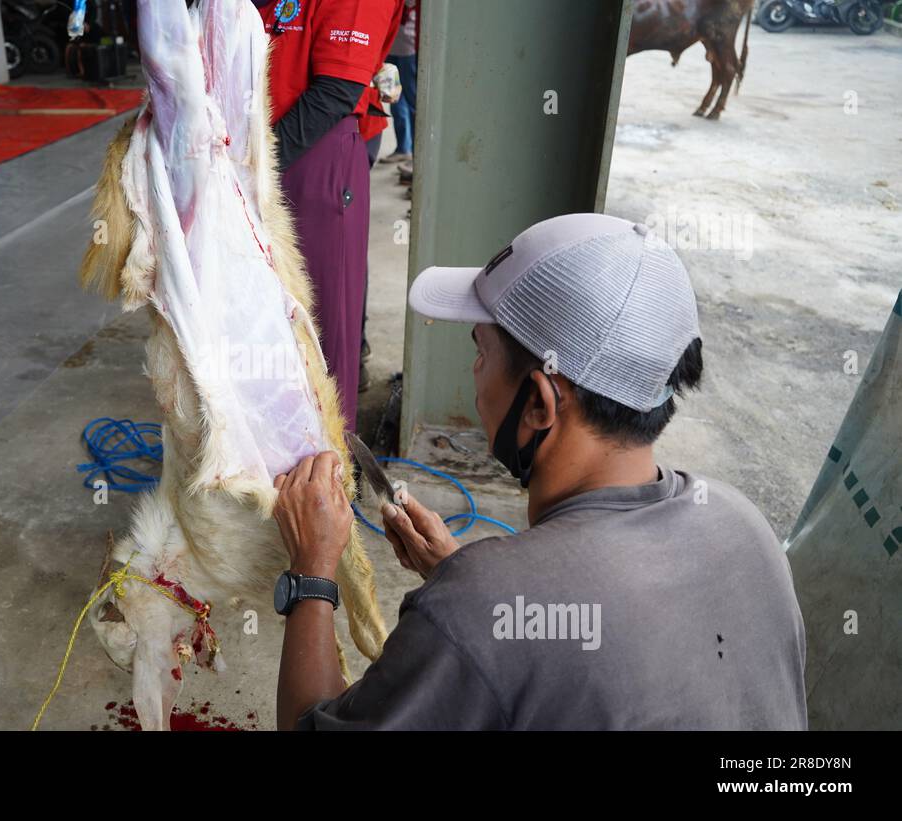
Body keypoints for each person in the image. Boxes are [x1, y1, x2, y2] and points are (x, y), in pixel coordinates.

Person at [270, 213, 808, 730]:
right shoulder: (743, 524)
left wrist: (312, 572)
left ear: (540, 406)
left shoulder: (476, 606)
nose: (474, 377)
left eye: (480, 353)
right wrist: (481, 595)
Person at [253, 0, 404, 431]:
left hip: (310, 148)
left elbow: (336, 89)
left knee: (319, 316)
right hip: (258, 145)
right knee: (269, 312)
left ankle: (329, 468)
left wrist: (255, 167)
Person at [379, 0, 417, 164]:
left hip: (409, 49)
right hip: (390, 47)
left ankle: (417, 155)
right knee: (394, 99)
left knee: (413, 102)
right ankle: (403, 148)